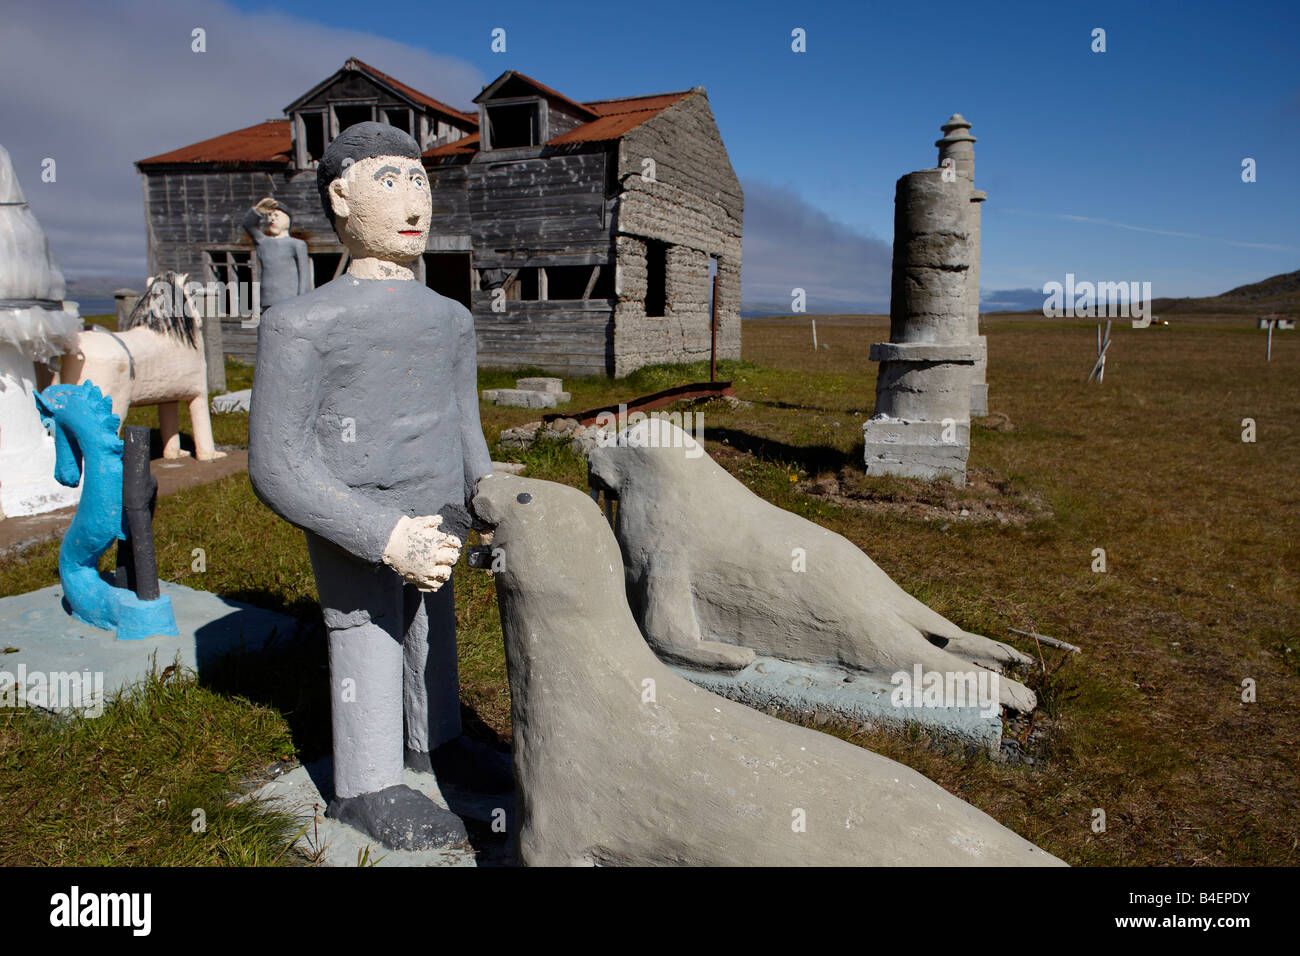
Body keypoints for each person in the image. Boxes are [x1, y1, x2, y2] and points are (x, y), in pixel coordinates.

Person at [248, 122, 506, 851]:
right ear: (340, 195)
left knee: (435, 628)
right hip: (354, 515)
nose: (414, 201)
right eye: (390, 181)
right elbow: (276, 463)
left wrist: (482, 492)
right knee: (364, 630)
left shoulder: (450, 319)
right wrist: (382, 535)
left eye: (420, 180)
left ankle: (439, 740)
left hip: (440, 506)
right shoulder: (302, 325)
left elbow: (463, 421)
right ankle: (365, 784)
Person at [241, 197, 309, 310]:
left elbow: (304, 276)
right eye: (269, 216)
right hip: (266, 302)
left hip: (290, 302)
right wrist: (257, 211)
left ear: (287, 219)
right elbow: (248, 226)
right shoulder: (262, 242)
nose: (272, 219)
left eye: (276, 216)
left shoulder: (297, 244)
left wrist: (302, 302)